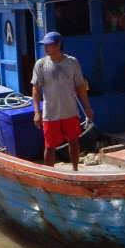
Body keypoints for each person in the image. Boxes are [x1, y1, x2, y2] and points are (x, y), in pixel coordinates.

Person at [31, 31, 93, 170]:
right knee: (49, 146)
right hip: (50, 113)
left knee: (74, 141)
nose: (46, 48)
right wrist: (37, 112)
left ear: (58, 45)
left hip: (70, 111)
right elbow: (36, 89)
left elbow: (80, 86)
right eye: (45, 45)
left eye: (49, 45)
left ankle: (75, 169)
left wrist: (87, 107)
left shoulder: (72, 62)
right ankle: (49, 173)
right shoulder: (40, 64)